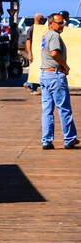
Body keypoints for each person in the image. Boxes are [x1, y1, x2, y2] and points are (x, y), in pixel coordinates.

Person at [40, 12, 78, 149]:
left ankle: (46, 140)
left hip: (45, 74)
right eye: (60, 23)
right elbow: (54, 53)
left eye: (63, 22)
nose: (63, 25)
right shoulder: (55, 36)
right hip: (55, 75)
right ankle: (69, 138)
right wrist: (65, 66)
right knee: (64, 108)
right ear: (51, 24)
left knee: (47, 110)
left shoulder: (46, 35)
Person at [25, 14, 46, 92]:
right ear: (39, 19)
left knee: (38, 69)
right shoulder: (32, 28)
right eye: (42, 19)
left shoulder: (40, 28)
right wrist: (30, 54)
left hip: (37, 52)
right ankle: (30, 86)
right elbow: (28, 41)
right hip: (32, 52)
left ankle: (31, 86)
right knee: (35, 70)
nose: (43, 21)